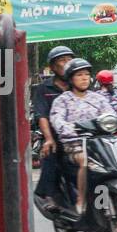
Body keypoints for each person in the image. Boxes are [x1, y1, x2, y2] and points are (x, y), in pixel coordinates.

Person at [49, 59, 115, 215]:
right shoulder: (62, 100)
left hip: (99, 144)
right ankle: (81, 199)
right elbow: (56, 119)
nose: (85, 78)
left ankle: (107, 197)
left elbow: (110, 115)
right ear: (71, 79)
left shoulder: (98, 98)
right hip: (75, 144)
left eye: (87, 74)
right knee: (84, 159)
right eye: (80, 75)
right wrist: (67, 128)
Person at [32, 46, 73, 210]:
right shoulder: (44, 89)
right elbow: (42, 116)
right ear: (53, 66)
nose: (66, 64)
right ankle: (48, 194)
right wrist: (49, 138)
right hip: (55, 135)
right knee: (51, 154)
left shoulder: (79, 83)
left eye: (69, 60)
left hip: (80, 134)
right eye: (62, 60)